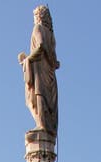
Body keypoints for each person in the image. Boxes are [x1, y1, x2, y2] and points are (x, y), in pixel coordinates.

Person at [18, 6, 59, 134]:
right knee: (45, 99)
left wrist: (28, 59)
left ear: (39, 17)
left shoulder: (38, 28)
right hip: (50, 73)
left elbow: (40, 45)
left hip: (40, 69)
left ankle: (41, 124)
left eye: (35, 16)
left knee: (37, 95)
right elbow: (56, 61)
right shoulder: (51, 36)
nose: (34, 19)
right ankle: (45, 126)